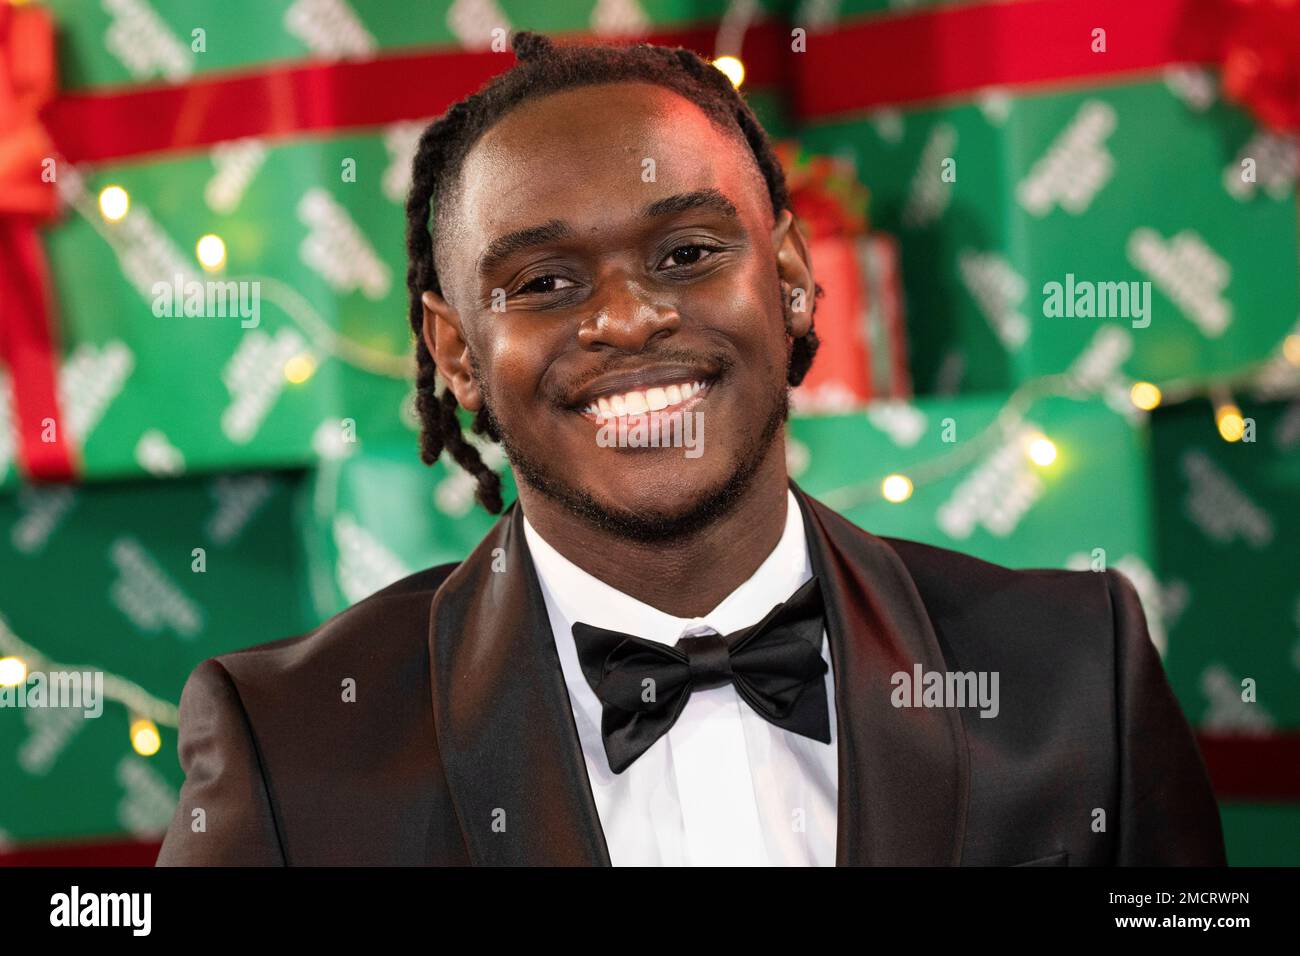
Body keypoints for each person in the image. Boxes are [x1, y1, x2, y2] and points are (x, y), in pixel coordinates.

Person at [156, 31, 1225, 867]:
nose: (625, 318)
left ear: (792, 277)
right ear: (457, 352)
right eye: (542, 280)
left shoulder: (1076, 672)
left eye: (687, 250)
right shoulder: (292, 748)